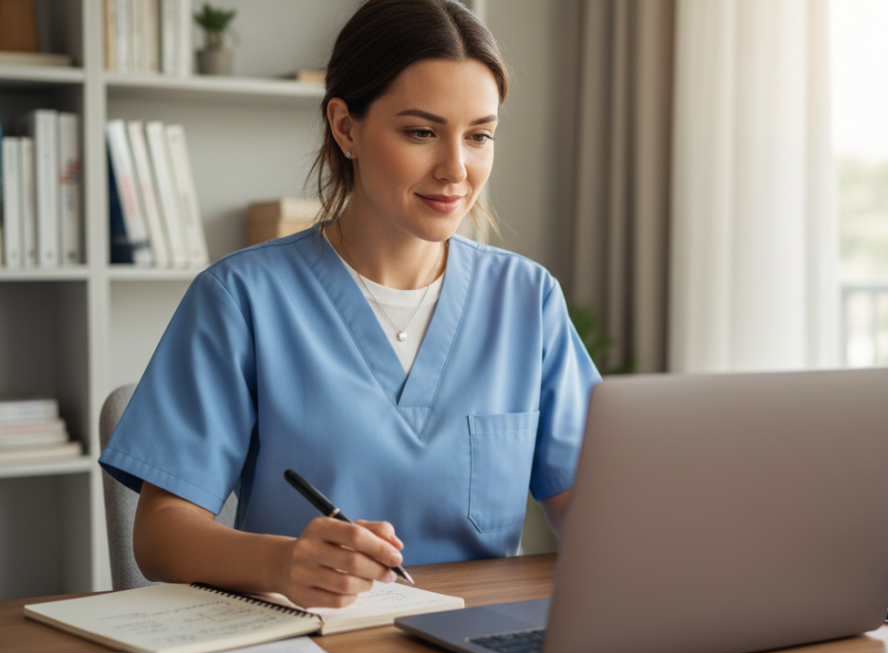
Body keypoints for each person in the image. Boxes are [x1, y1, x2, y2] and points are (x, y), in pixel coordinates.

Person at [98, 0, 600, 610]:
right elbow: (159, 534)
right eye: (421, 132)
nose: (456, 169)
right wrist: (284, 563)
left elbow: (594, 508)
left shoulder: (528, 301)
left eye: (479, 136)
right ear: (346, 127)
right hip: (309, 640)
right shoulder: (240, 299)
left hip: (480, 642)